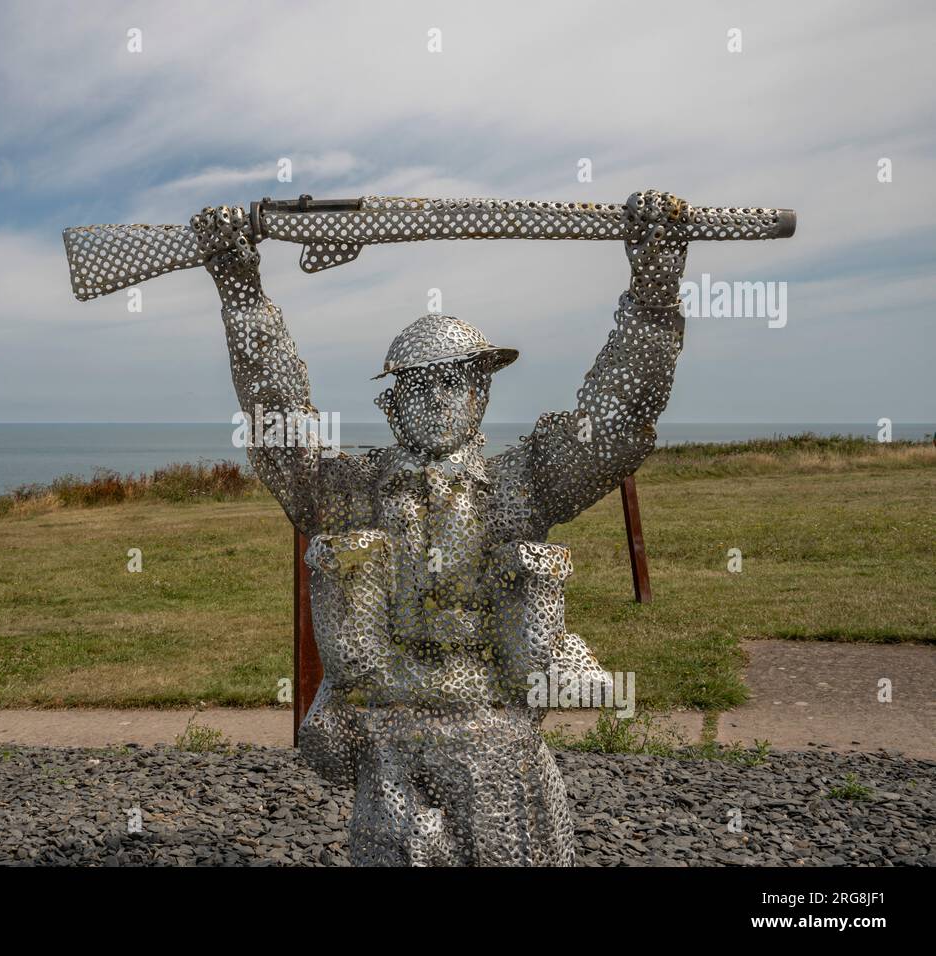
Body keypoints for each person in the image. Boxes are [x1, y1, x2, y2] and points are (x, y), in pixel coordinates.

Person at [192, 190, 690, 866]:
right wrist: (241, 292)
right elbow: (279, 431)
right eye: (421, 386)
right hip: (388, 741)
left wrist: (655, 288)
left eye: (457, 381)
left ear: (483, 392)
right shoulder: (357, 493)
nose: (441, 398)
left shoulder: (521, 485)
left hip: (499, 745)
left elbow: (619, 420)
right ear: (392, 403)